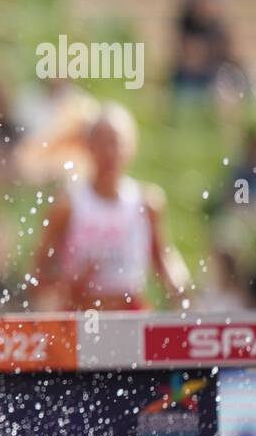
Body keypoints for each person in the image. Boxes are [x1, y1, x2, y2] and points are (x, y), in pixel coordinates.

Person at [32, 102, 190, 312]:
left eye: (116, 143)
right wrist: (70, 282)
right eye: (102, 143)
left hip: (130, 314)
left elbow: (164, 258)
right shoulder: (68, 205)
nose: (110, 152)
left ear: (131, 148)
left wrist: (179, 286)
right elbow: (39, 273)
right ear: (89, 147)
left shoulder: (147, 203)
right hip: (79, 314)